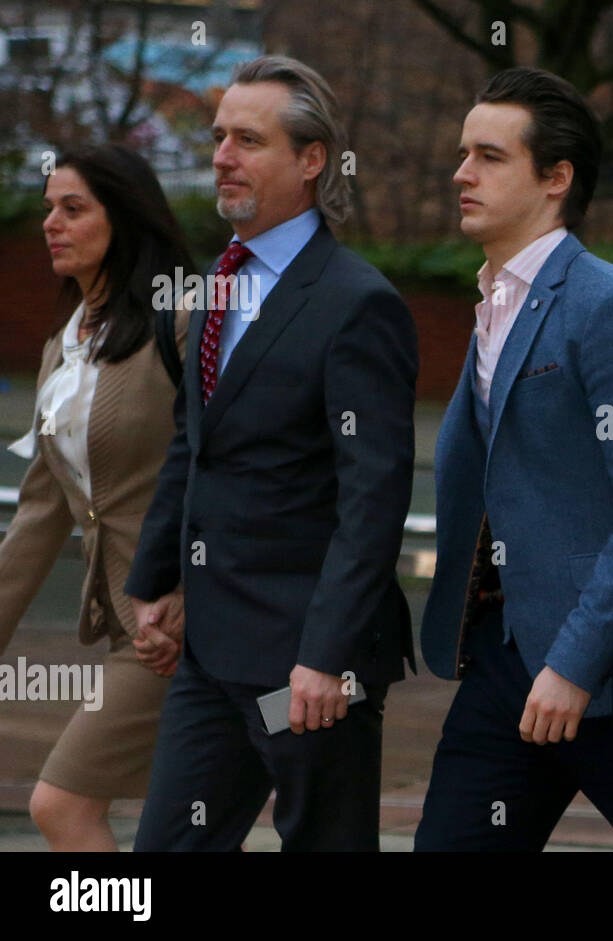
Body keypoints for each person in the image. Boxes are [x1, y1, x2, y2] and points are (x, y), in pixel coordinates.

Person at [124, 55, 418, 851]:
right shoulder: (211, 287)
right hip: (211, 655)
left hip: (309, 668)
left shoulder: (358, 305)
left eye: (248, 139)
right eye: (219, 135)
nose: (221, 154)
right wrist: (155, 581)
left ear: (311, 159)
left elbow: (373, 499)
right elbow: (196, 442)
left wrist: (323, 659)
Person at [413, 67, 613, 851]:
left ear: (556, 177)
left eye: (489, 156)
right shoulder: (496, 297)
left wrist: (575, 660)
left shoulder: (609, 306)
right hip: (503, 654)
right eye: (463, 154)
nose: (462, 173)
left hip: (609, 668)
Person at [0, 145, 194, 851]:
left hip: (181, 628)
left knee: (60, 804)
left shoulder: (182, 322)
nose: (52, 221)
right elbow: (38, 518)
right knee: (194, 828)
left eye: (73, 208)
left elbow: (228, 473)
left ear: (126, 219)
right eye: (49, 206)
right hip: (125, 625)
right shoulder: (63, 349)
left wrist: (183, 593)